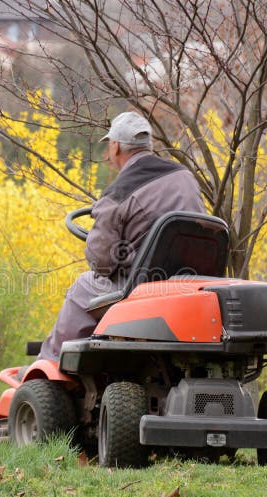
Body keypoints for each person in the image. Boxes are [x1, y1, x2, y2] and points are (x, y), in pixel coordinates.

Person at [38, 111, 206, 361]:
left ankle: (50, 368)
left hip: (145, 287)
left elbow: (102, 263)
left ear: (115, 147)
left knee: (83, 287)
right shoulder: (185, 176)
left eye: (109, 147)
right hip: (194, 282)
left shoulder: (118, 193)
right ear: (149, 145)